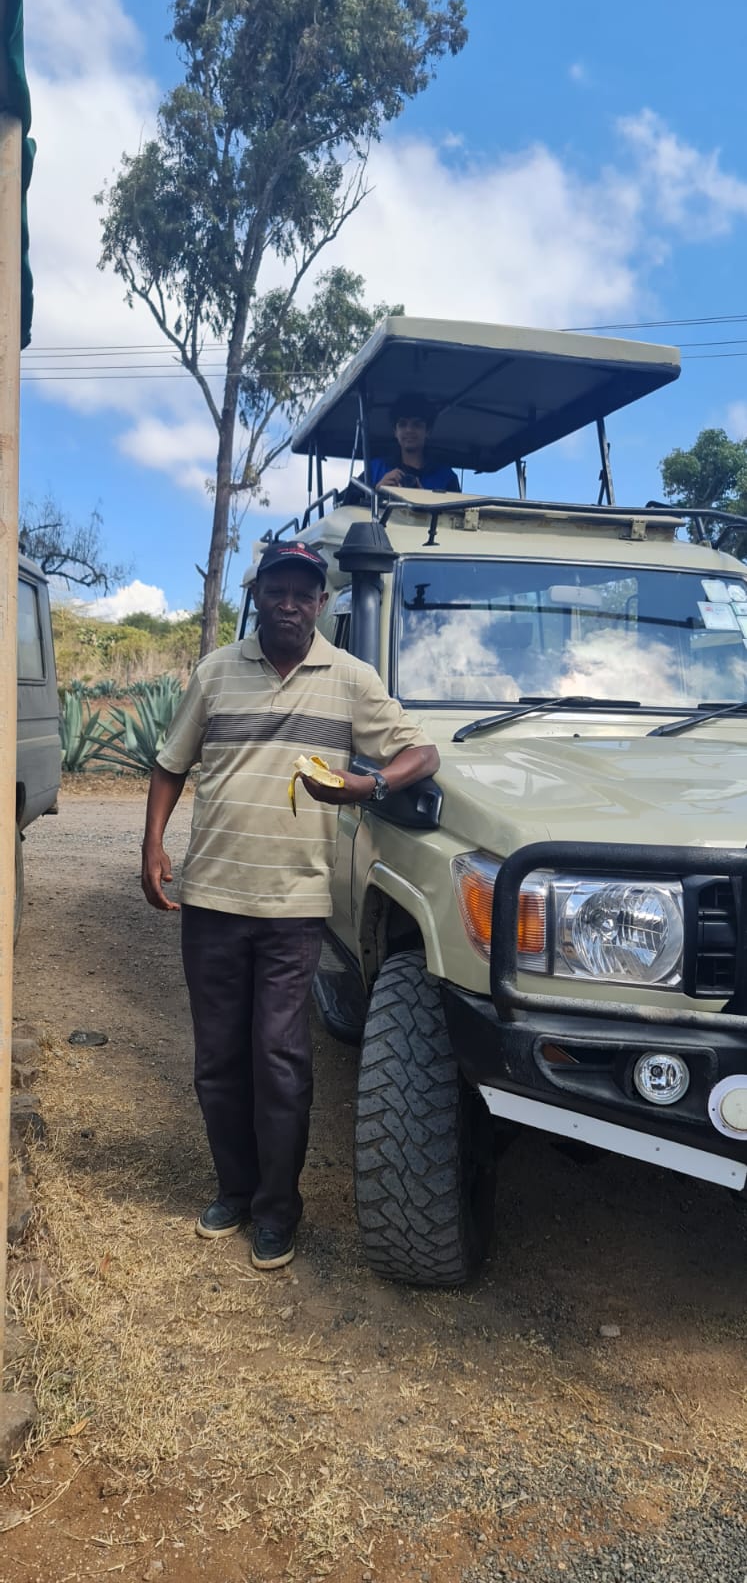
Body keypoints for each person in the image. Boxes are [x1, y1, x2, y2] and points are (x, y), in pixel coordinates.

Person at [141, 540, 439, 1272]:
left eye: (304, 593)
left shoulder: (350, 679)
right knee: (218, 1059)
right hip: (212, 898)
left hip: (294, 906)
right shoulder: (215, 672)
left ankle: (277, 1210)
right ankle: (234, 1191)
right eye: (277, 589)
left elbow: (421, 754)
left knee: (279, 1059)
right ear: (258, 596)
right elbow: (170, 764)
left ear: (321, 603)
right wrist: (151, 845)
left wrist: (367, 785)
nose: (290, 603)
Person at [368, 392, 460, 493]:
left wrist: (425, 498)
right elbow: (353, 498)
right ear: (395, 432)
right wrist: (376, 491)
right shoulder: (375, 469)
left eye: (417, 424)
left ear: (428, 431)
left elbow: (459, 504)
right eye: (402, 424)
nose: (409, 430)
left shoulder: (446, 477)